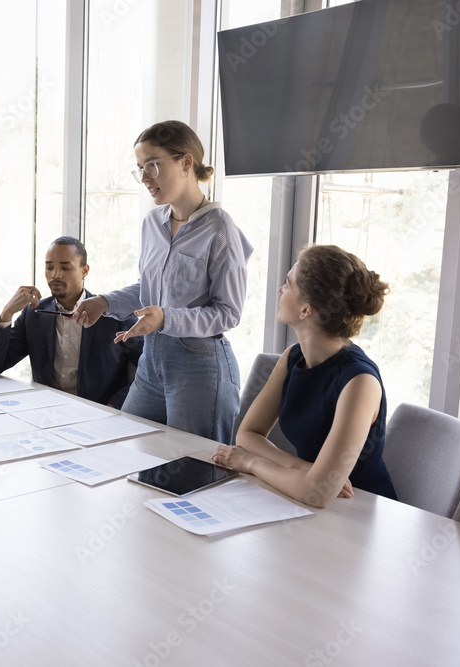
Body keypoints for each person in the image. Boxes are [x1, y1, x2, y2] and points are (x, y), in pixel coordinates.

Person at [72, 120, 253, 442]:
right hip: (151, 361)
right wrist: (106, 301)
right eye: (140, 168)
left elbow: (228, 312)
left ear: (186, 163)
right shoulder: (152, 223)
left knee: (193, 471)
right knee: (130, 453)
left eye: (153, 165)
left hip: (200, 367)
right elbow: (150, 289)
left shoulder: (220, 230)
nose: (144, 178)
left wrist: (166, 317)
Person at [211, 245, 397, 507]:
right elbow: (247, 434)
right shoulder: (292, 357)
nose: (279, 290)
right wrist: (300, 467)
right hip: (301, 496)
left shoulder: (360, 382)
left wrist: (250, 462)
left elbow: (318, 493)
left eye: (287, 285)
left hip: (357, 509)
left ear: (306, 309)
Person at [0, 237, 143, 408]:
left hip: (97, 413)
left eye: (65, 267)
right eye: (49, 267)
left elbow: (149, 371)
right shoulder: (34, 314)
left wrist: (115, 404)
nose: (55, 274)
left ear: (84, 271)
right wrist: (7, 313)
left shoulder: (112, 313)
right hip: (46, 411)